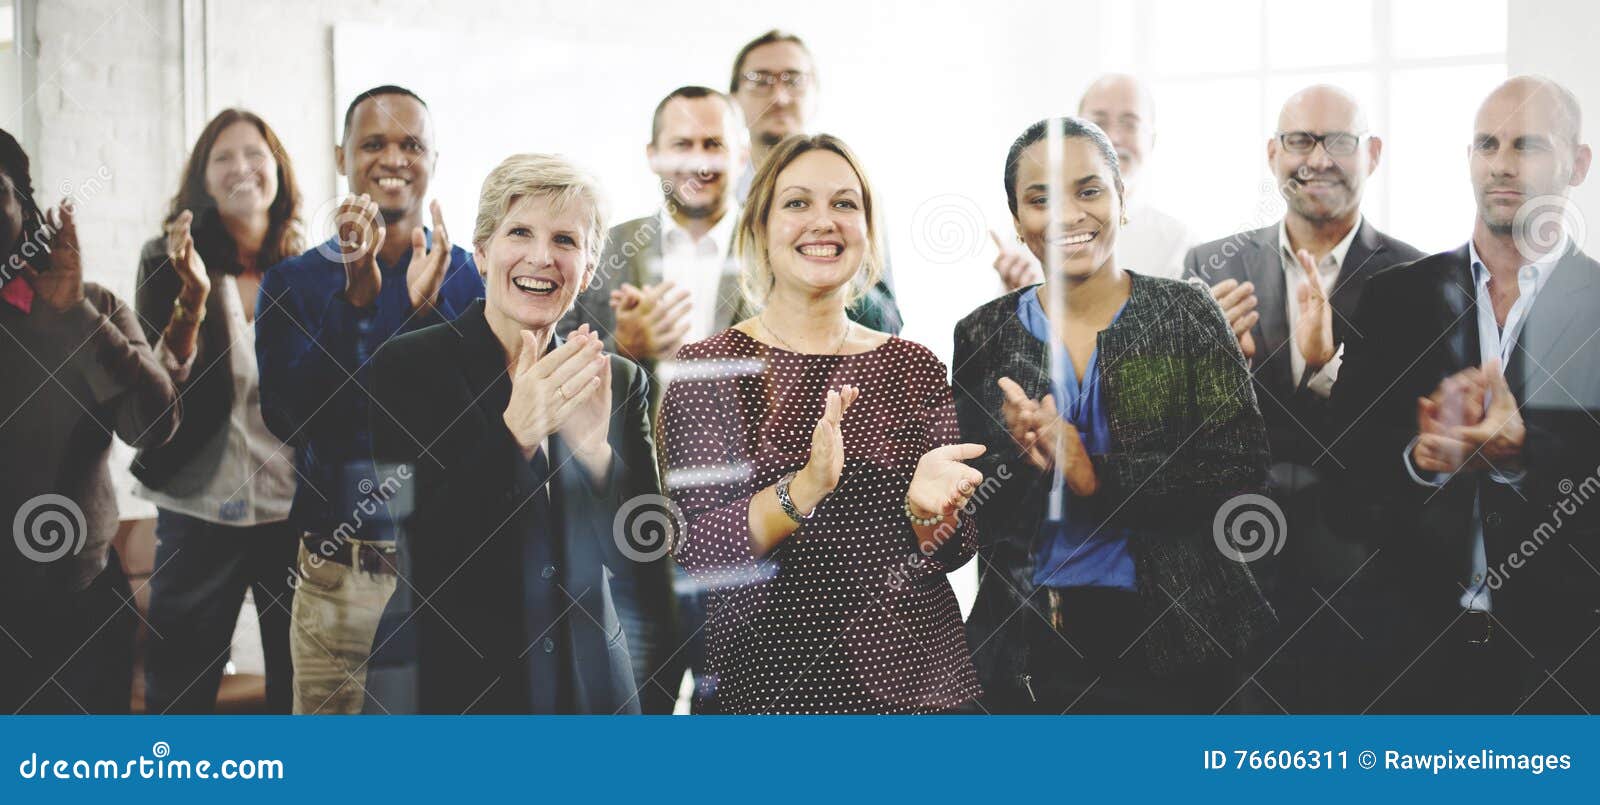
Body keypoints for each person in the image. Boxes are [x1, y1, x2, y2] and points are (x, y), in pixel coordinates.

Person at [955, 117, 1274, 713]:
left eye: (1089, 190)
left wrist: (1094, 473)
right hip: (1033, 642)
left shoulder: (1185, 312)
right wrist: (1016, 459)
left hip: (1179, 638)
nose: (1068, 215)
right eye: (1039, 198)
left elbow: (1241, 467)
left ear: (1122, 201)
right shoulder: (982, 332)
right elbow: (974, 505)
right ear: (1018, 221)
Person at [662, 133, 983, 713]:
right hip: (765, 691)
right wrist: (802, 490)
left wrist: (928, 512)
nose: (823, 221)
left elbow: (955, 551)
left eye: (844, 203)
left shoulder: (913, 365)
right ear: (759, 227)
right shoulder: (708, 368)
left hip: (916, 695)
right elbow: (698, 550)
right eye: (797, 203)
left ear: (867, 228)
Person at [1331, 75, 1600, 713]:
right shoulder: (1394, 298)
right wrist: (1420, 461)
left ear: (1578, 164)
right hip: (1408, 657)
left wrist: (1521, 457)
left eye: (1527, 145)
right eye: (1487, 144)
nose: (1502, 165)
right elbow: (1341, 478)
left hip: (1567, 659)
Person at [365, 153, 650, 713]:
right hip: (452, 685)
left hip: (589, 689)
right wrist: (515, 436)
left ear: (588, 267)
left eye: (566, 240)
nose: (542, 256)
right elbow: (422, 552)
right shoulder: (406, 366)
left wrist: (595, 455)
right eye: (520, 232)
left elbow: (644, 562)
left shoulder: (616, 378)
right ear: (483, 251)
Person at [1181, 85, 1425, 713]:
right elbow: (1176, 441)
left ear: (1372, 153)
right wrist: (1216, 370)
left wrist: (1328, 367)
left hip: (1361, 586)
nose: (1318, 159)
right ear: (1273, 155)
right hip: (1234, 576)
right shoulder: (1209, 265)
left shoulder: (1418, 280)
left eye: (1339, 141)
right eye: (1300, 141)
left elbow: (1409, 447)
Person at [256, 85, 484, 714]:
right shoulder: (295, 283)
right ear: (342, 156)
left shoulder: (473, 279)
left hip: (449, 573)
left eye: (411, 144)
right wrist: (356, 304)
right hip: (338, 577)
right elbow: (290, 418)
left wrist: (423, 323)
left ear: (435, 158)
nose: (394, 158)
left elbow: (475, 432)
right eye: (374, 143)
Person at [559, 84, 748, 713]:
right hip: (630, 528)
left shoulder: (777, 248)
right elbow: (552, 371)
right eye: (682, 144)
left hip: (742, 532)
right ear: (652, 154)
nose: (698, 160)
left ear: (741, 155)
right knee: (628, 713)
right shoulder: (603, 249)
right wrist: (623, 345)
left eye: (714, 144)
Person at [0, 128, 179, 713]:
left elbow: (154, 426)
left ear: (22, 209)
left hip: (81, 612)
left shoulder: (92, 308)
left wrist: (74, 315)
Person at [132, 109, 304, 714]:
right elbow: (156, 386)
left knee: (300, 688)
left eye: (254, 153)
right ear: (203, 180)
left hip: (294, 512)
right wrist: (192, 303)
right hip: (199, 509)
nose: (241, 168)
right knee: (179, 691)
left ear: (277, 168)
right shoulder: (167, 259)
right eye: (222, 157)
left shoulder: (309, 268)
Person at [729, 30, 902, 334]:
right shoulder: (715, 200)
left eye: (794, 80)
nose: (779, 97)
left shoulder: (858, 193)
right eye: (760, 80)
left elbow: (888, 321)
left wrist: (831, 267)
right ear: (734, 99)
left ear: (816, 94)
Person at [991, 74, 1196, 290]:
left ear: (1151, 140)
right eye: (1098, 123)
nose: (1113, 138)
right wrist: (1017, 298)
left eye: (1129, 124)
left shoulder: (1180, 244)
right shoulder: (1033, 234)